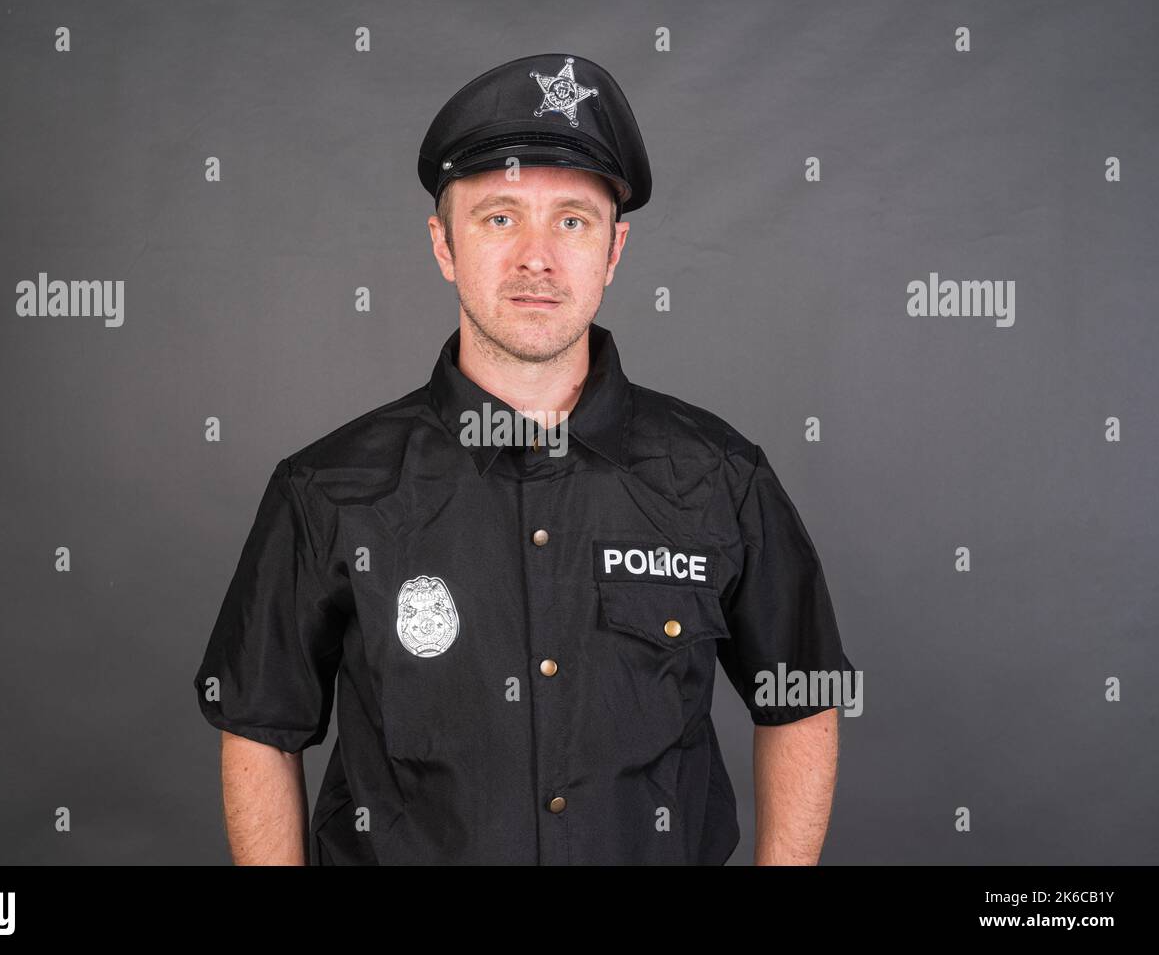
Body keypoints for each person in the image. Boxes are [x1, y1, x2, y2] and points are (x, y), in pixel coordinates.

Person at [193, 52, 856, 865]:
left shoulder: (721, 477)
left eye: (573, 220)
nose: (536, 257)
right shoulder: (326, 491)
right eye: (500, 217)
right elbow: (261, 727)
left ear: (615, 251)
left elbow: (803, 698)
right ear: (444, 244)